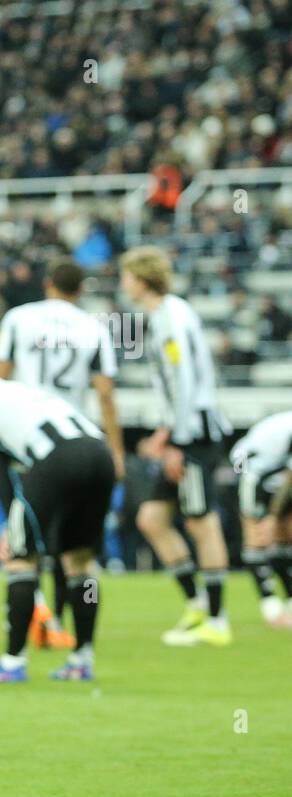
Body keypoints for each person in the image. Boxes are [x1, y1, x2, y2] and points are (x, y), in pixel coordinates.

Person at [0, 358, 116, 683]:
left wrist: (11, 521)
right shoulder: (21, 390)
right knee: (81, 562)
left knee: (20, 561)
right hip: (98, 453)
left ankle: (13, 662)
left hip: (56, 458)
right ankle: (82, 659)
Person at [0, 259, 124, 650]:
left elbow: (0, 378)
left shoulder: (19, 318)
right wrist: (115, 449)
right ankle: (73, 631)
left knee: (28, 540)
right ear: (81, 290)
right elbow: (104, 392)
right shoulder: (94, 326)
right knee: (77, 550)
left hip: (30, 440)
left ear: (47, 283)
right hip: (79, 439)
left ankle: (35, 619)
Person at [119, 246, 233, 647]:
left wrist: (175, 439)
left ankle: (217, 620)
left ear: (142, 279)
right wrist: (164, 431)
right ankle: (198, 604)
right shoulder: (165, 315)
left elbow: (183, 380)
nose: (123, 283)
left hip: (195, 435)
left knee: (202, 521)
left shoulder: (170, 317)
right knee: (152, 519)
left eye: (127, 276)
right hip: (181, 431)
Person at [230, 410, 292, 628]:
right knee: (257, 536)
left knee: (286, 536)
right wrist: (272, 516)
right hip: (252, 470)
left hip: (275, 472)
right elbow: (290, 476)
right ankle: (270, 605)